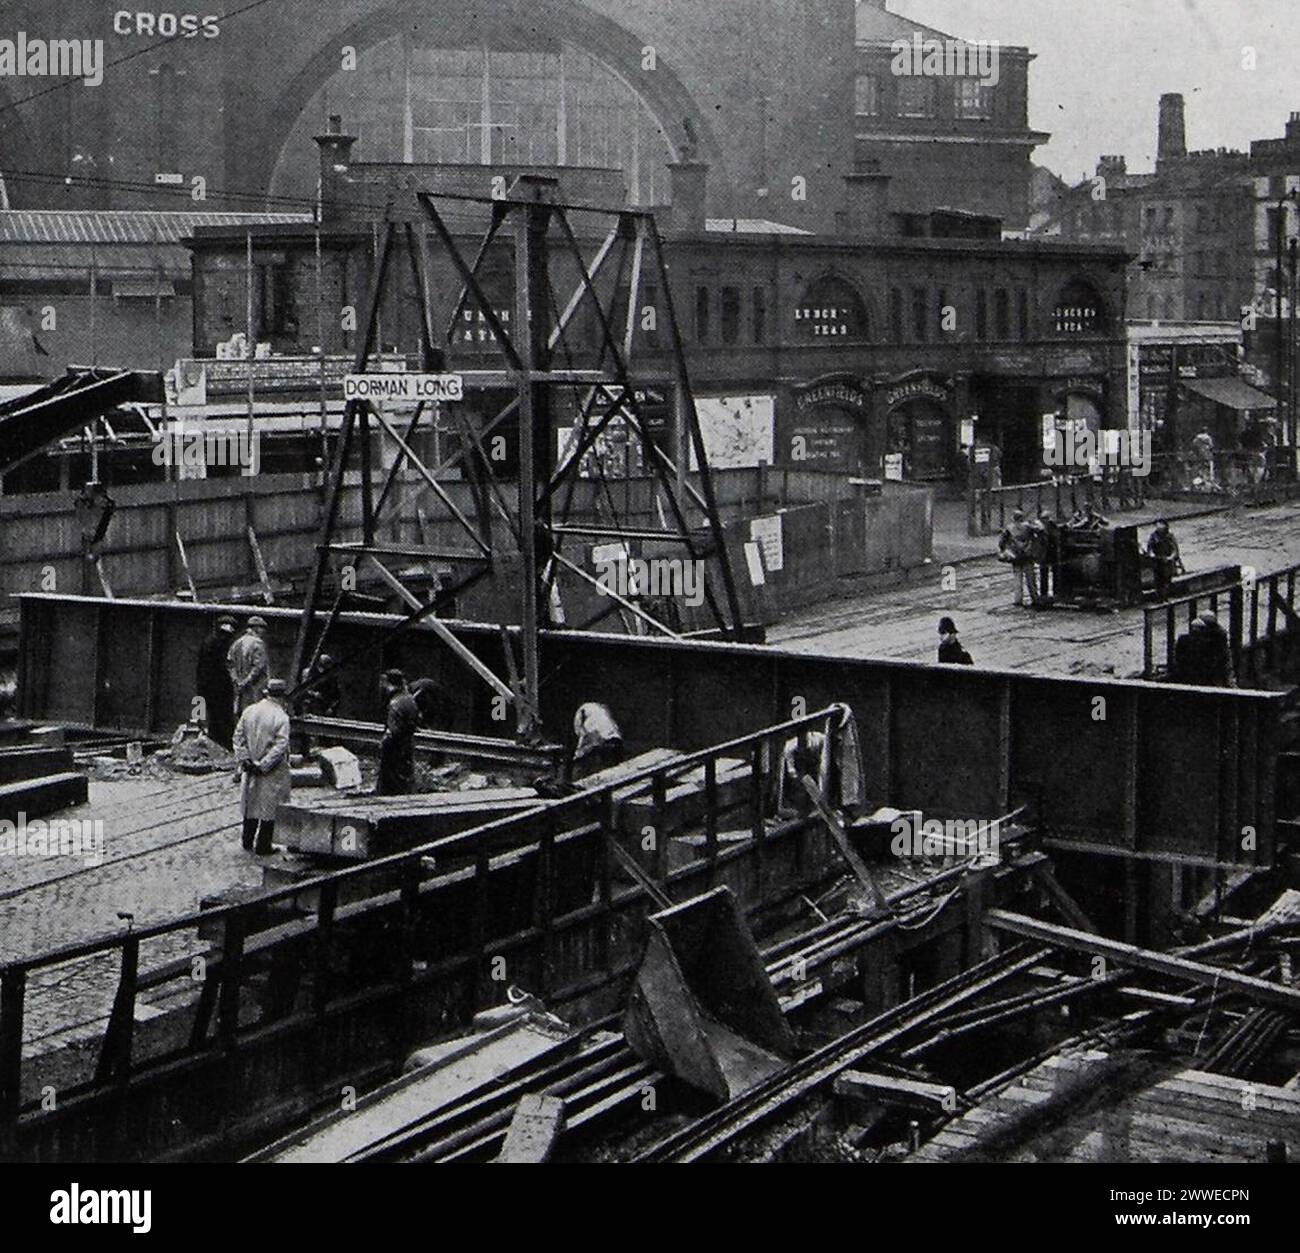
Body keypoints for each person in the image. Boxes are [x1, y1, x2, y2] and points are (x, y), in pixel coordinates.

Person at [232, 677, 292, 855]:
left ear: (267, 693)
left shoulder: (250, 710)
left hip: (250, 767)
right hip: (271, 771)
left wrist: (245, 760)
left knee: (250, 803)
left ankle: (247, 840)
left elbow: (237, 737)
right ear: (282, 697)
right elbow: (281, 746)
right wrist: (263, 765)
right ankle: (264, 846)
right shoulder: (281, 717)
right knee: (269, 808)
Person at [196, 614, 237, 748]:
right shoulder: (219, 644)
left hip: (205, 686)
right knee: (222, 719)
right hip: (218, 689)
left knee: (208, 714)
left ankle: (207, 738)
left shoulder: (209, 641)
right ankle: (222, 745)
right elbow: (221, 667)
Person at [377, 669, 420, 795]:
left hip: (394, 746)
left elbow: (393, 729)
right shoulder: (410, 699)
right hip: (407, 743)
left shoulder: (395, 702)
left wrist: (384, 741)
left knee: (391, 778)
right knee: (405, 775)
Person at [227, 615, 271, 721]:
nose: (263, 631)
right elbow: (258, 667)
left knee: (241, 717)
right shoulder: (258, 643)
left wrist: (236, 680)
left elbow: (230, 663)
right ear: (256, 628)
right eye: (262, 628)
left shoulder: (237, 643)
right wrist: (246, 682)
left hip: (239, 689)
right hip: (255, 690)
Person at [571, 701, 624, 781]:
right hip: (615, 739)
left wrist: (578, 754)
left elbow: (582, 733)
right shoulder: (600, 708)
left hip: (601, 739)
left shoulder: (582, 711)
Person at [998, 510, 1041, 607]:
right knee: (1030, 578)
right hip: (1027, 554)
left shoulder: (1009, 528)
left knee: (1017, 578)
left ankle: (1018, 599)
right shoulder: (1027, 526)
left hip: (1015, 555)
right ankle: (1034, 597)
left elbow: (1002, 542)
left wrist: (1003, 551)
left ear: (1013, 518)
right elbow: (1039, 530)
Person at [1144, 519, 1183, 600]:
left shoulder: (1170, 536)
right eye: (1157, 525)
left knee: (1167, 580)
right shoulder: (1153, 536)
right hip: (1158, 561)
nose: (1159, 527)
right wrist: (1152, 555)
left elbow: (1175, 549)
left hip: (1167, 562)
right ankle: (1160, 597)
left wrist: (1171, 557)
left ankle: (1165, 597)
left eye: (1161, 525)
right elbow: (1150, 548)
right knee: (1158, 580)